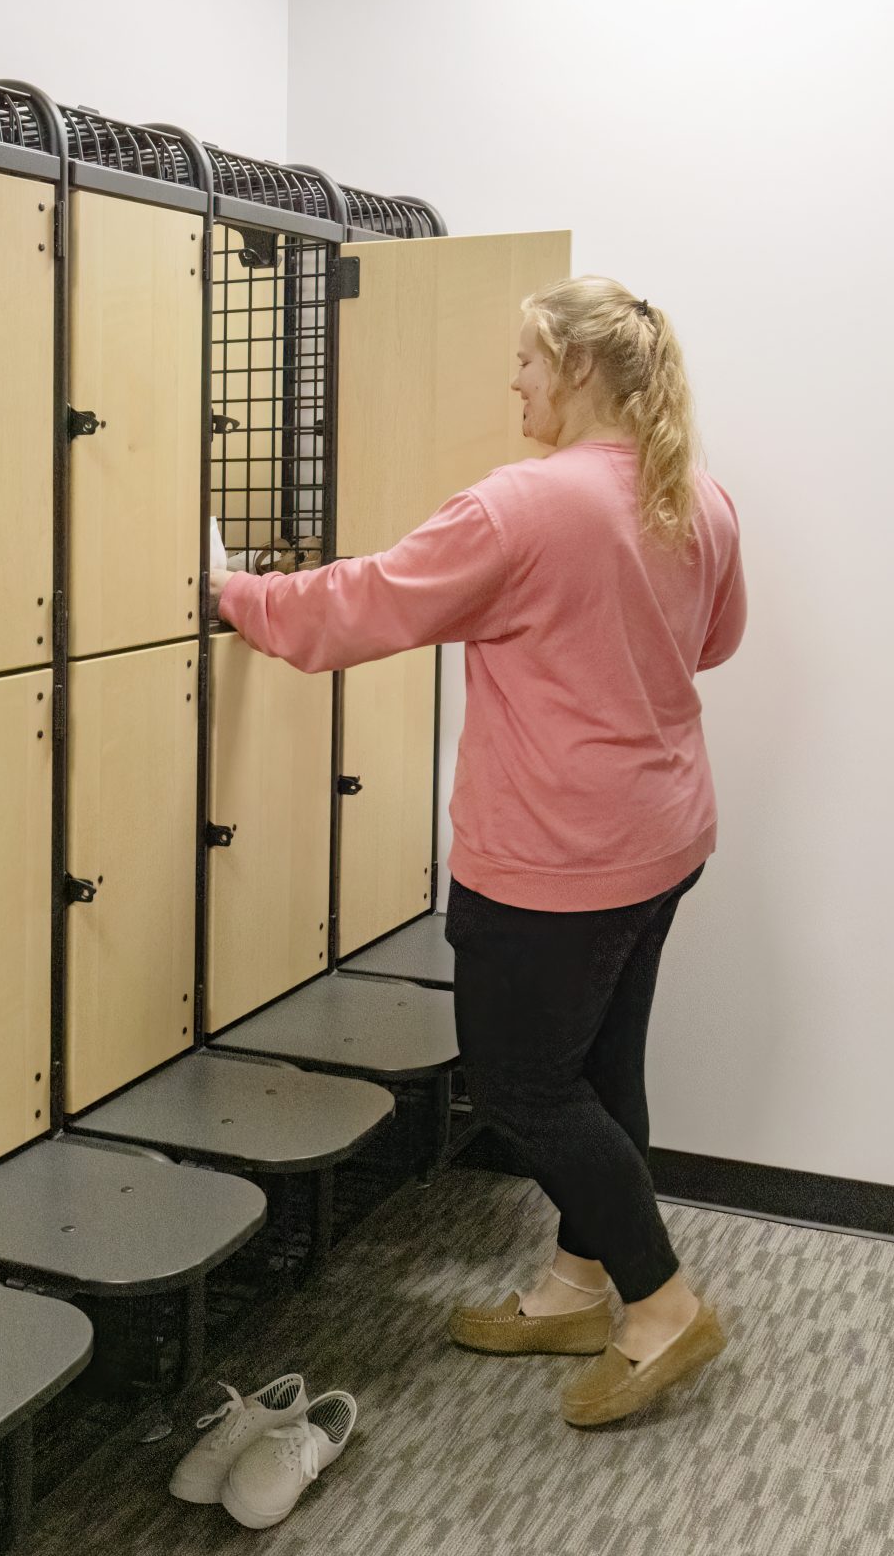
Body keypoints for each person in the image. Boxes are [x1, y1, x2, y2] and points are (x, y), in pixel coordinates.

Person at [209, 276, 745, 1428]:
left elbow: (357, 606)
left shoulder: (519, 508)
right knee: (601, 1072)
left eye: (525, 360)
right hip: (662, 833)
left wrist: (230, 591)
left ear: (579, 371)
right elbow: (716, 637)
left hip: (554, 858)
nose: (512, 380)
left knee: (521, 1085)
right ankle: (576, 1281)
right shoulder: (692, 495)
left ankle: (658, 1302)